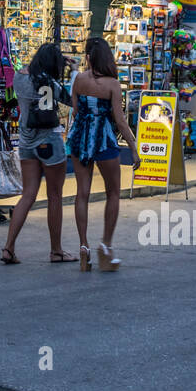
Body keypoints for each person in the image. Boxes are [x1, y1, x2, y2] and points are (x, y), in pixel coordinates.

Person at [67, 38, 141, 272]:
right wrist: (133, 147)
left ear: (89, 57)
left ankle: (83, 246)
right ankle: (106, 245)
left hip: (79, 138)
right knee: (113, 193)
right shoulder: (112, 85)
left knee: (82, 193)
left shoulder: (78, 80)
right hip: (104, 140)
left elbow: (76, 111)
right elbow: (119, 120)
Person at [1, 43, 75, 264]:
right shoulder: (49, 82)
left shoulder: (19, 78)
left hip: (26, 143)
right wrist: (74, 72)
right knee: (55, 196)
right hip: (49, 140)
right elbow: (70, 99)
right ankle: (56, 251)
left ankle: (8, 247)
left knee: (28, 195)